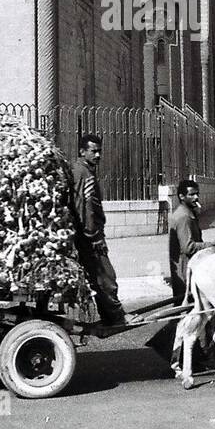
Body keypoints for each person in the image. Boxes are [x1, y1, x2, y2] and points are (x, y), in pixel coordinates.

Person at [71, 133, 135, 328]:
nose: (98, 155)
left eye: (100, 151)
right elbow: (86, 207)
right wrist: (94, 236)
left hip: (83, 236)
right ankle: (116, 317)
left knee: (99, 278)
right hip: (90, 237)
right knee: (107, 278)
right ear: (82, 151)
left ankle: (109, 315)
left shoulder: (78, 169)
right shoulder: (85, 174)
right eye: (93, 151)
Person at [167, 178, 215, 371]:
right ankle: (202, 356)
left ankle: (194, 356)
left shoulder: (187, 213)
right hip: (187, 271)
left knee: (191, 314)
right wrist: (212, 244)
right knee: (201, 313)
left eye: (197, 193)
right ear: (182, 196)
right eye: (191, 194)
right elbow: (188, 247)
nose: (196, 196)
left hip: (187, 269)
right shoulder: (183, 217)